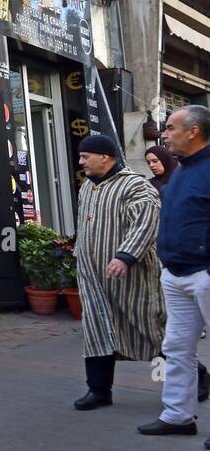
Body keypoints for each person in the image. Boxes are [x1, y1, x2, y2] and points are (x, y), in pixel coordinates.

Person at [71, 135, 166, 411]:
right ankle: (98, 390)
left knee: (149, 329)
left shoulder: (135, 185)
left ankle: (195, 379)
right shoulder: (87, 187)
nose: (81, 162)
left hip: (130, 277)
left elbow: (146, 222)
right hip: (92, 277)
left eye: (85, 156)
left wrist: (126, 256)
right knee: (96, 330)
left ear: (105, 157)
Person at [143, 105, 210, 442]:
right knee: (177, 347)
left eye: (170, 128)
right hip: (176, 272)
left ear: (193, 131)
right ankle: (178, 416)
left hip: (205, 274)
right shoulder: (182, 169)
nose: (164, 134)